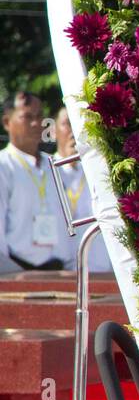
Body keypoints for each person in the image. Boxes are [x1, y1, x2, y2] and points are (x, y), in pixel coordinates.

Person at [0, 91, 64, 273]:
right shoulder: (3, 165)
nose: (36, 123)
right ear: (7, 122)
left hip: (61, 269)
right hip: (17, 269)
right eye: (27, 117)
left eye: (39, 116)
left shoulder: (54, 164)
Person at [52, 107, 110, 272]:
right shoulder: (45, 171)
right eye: (67, 124)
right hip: (55, 273)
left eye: (78, 125)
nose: (74, 132)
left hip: (100, 271)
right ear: (53, 130)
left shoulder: (99, 174)